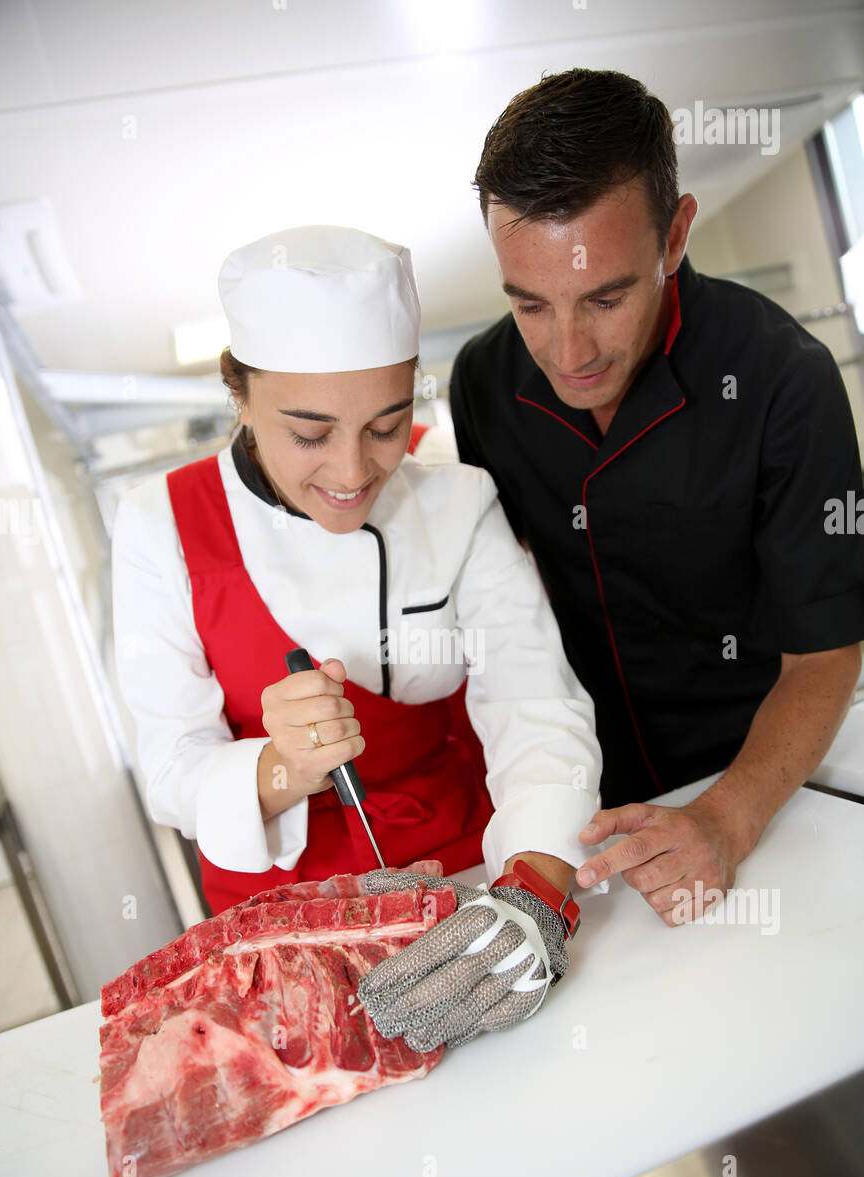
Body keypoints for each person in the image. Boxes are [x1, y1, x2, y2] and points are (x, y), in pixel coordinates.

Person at [449, 68, 864, 926]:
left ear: (674, 237)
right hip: (601, 816)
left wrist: (727, 816)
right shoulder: (483, 384)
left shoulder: (783, 378)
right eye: (530, 304)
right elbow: (516, 606)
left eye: (606, 297)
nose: (568, 351)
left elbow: (825, 655)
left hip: (772, 784)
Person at [112, 225, 602, 921]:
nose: (352, 472)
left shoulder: (455, 497)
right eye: (310, 434)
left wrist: (534, 897)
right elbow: (169, 766)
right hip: (283, 912)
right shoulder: (159, 525)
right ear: (239, 396)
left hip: (469, 865)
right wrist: (288, 766)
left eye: (385, 426)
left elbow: (535, 707)